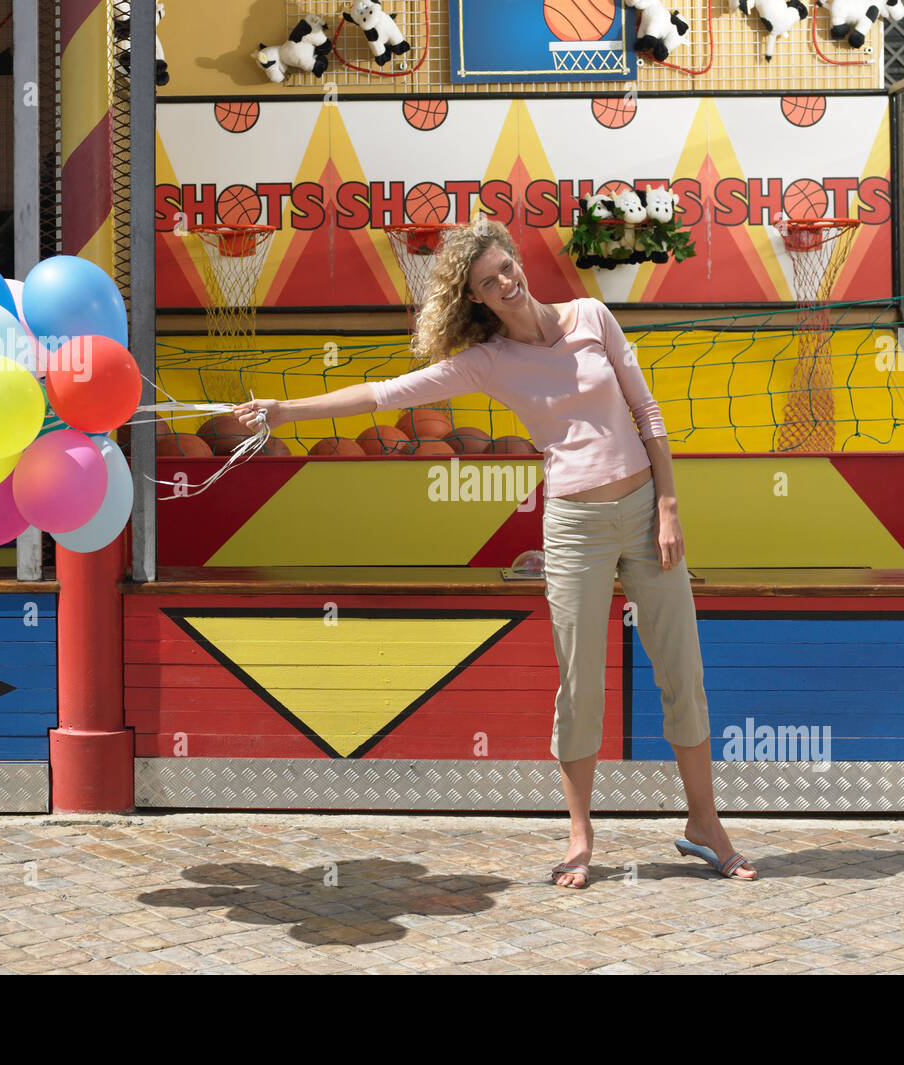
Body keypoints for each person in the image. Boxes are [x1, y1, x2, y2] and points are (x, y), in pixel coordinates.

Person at [234, 217, 756, 887]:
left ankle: (704, 825)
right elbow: (385, 394)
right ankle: (579, 833)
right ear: (475, 298)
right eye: (488, 281)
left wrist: (668, 506)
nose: (506, 282)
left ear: (518, 260)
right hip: (575, 526)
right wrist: (285, 411)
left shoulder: (593, 315)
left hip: (645, 511)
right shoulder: (488, 361)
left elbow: (646, 413)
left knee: (683, 670)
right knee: (579, 684)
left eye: (506, 267)